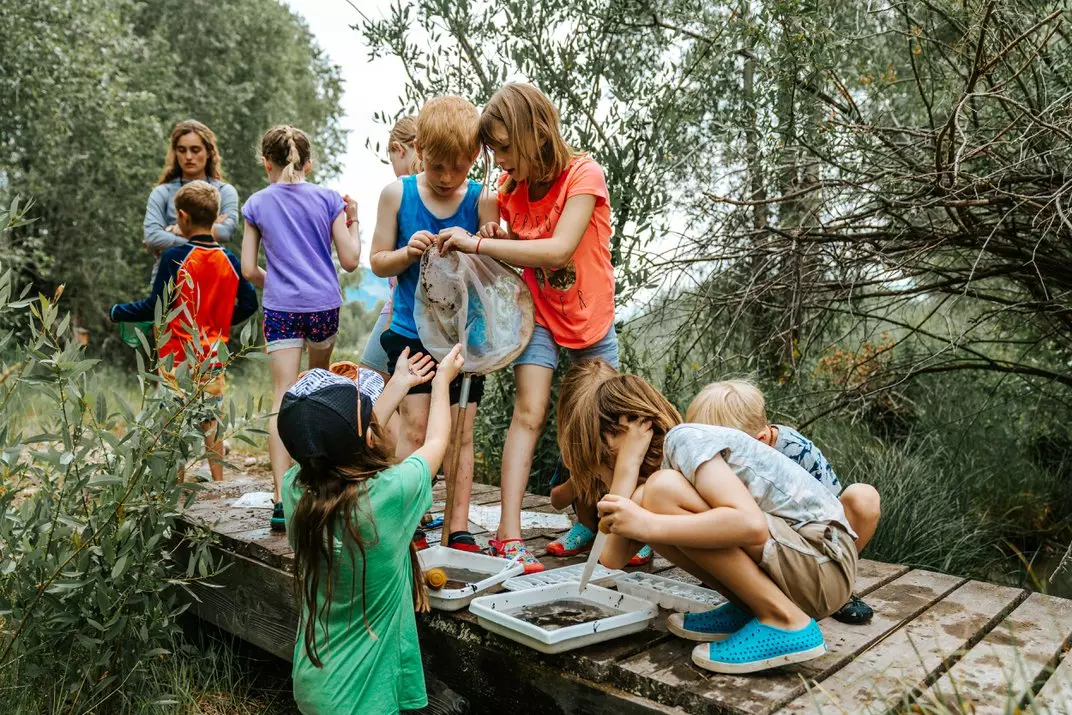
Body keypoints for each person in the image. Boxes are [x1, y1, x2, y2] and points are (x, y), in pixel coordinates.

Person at [557, 362, 858, 674]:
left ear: (628, 433)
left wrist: (648, 522)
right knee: (650, 501)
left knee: (659, 494)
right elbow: (611, 557)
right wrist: (627, 469)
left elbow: (749, 525)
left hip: (823, 563)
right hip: (801, 565)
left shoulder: (685, 440)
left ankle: (785, 620)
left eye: (603, 464)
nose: (605, 481)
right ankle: (751, 607)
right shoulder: (651, 476)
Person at [438, 83, 619, 573]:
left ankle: (603, 524)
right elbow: (504, 231)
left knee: (602, 423)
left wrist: (479, 245)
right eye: (494, 151)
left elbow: (558, 250)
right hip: (539, 314)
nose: (498, 162)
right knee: (529, 413)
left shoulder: (585, 175)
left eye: (503, 148)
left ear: (535, 132)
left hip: (592, 318)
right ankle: (508, 533)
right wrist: (492, 227)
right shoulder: (509, 192)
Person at [280, 342, 464, 715]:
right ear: (366, 436)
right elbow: (437, 442)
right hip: (364, 700)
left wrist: (397, 383)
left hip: (315, 684)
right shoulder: (389, 495)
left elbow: (344, 443)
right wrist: (442, 382)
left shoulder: (295, 489)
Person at [370, 96, 498, 553]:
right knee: (416, 429)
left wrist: (483, 239)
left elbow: (493, 264)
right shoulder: (397, 194)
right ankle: (413, 518)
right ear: (419, 149)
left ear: (475, 160)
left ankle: (458, 527)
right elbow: (377, 261)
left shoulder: (482, 197)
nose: (447, 178)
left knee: (462, 432)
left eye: (459, 169)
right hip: (411, 331)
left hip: (465, 337)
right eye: (438, 166)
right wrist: (407, 252)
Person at [241, 124, 361, 531]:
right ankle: (320, 488)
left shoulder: (256, 203)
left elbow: (246, 268)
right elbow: (349, 260)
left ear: (266, 162)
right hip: (323, 305)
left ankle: (280, 500)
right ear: (308, 163)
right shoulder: (329, 199)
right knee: (319, 389)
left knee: (282, 396)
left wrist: (273, 281)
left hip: (281, 309)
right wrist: (355, 221)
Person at [685, 379, 881, 624]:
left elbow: (829, 519)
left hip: (807, 536)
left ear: (762, 439)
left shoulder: (798, 452)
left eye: (722, 453)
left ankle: (837, 584)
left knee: (864, 497)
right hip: (758, 538)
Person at [112, 180, 258, 481]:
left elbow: (155, 305)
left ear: (182, 217)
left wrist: (118, 311)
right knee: (211, 422)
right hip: (212, 357)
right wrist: (222, 321)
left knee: (173, 424)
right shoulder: (229, 260)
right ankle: (218, 483)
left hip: (175, 358)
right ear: (215, 216)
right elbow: (249, 303)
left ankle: (174, 489)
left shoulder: (174, 257)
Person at [547, 361, 653, 565]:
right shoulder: (575, 447)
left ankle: (638, 538)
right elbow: (556, 501)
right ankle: (585, 528)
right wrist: (580, 477)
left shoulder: (631, 445)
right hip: (598, 523)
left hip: (629, 521)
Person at [359, 116, 421, 382]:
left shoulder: (401, 191)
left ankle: (384, 426)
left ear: (400, 149)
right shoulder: (444, 190)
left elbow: (385, 266)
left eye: (393, 159)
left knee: (368, 381)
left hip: (400, 309)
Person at [144, 120, 239, 283]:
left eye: (195, 150)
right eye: (182, 150)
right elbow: (152, 237)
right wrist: (207, 229)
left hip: (209, 282)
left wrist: (174, 230)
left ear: (209, 152)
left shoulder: (224, 192)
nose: (188, 157)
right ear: (175, 153)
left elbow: (226, 232)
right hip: (167, 284)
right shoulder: (162, 192)